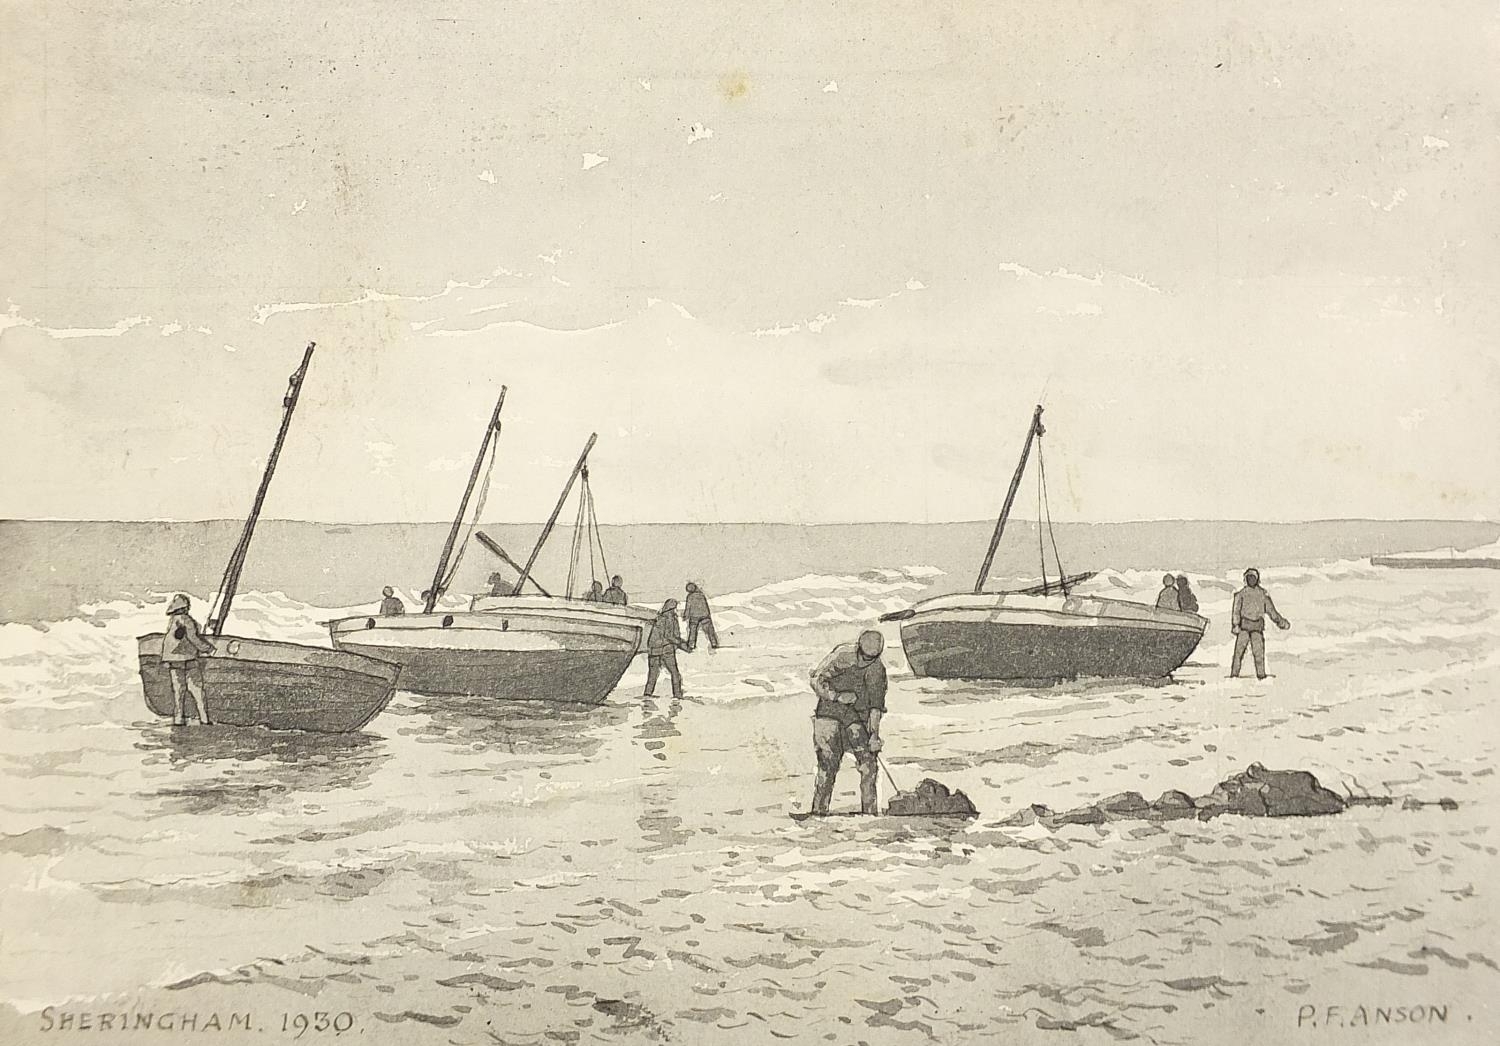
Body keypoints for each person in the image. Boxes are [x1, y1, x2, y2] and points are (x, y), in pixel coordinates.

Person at [808, 629, 888, 816]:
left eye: (871, 659)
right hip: (829, 714)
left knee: (869, 764)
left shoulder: (877, 670)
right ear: (858, 648)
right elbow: (816, 679)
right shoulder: (841, 655)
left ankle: (869, 814)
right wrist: (836, 696)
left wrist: (874, 736)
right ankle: (819, 813)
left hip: (856, 720)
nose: (864, 662)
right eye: (863, 656)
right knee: (827, 765)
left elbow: (876, 707)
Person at [161, 594, 215, 726]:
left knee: (178, 691)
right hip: (189, 659)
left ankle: (179, 720)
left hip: (173, 660)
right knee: (197, 689)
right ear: (185, 608)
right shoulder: (187, 620)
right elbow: (193, 638)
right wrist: (208, 648)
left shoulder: (173, 621)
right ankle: (204, 719)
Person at [1231, 568, 1291, 679]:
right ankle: (1234, 676)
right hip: (1243, 628)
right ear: (1245, 579)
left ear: (1257, 579)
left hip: (1257, 628)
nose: (1251, 579)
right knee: (1238, 654)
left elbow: (1271, 611)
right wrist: (1235, 625)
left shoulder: (1262, 594)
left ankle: (1261, 676)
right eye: (1249, 577)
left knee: (1259, 655)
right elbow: (1236, 611)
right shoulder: (1240, 594)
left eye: (1253, 577)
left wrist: (1281, 623)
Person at [644, 599, 688, 699]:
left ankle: (647, 694)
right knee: (675, 673)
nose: (676, 611)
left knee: (653, 674)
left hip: (653, 651)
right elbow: (670, 636)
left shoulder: (659, 618)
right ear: (671, 609)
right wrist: (683, 645)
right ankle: (677, 694)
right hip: (665, 650)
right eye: (675, 608)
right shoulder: (670, 619)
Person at [684, 581, 718, 651]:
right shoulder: (701, 595)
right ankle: (714, 643)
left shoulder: (690, 597)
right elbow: (706, 606)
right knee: (710, 630)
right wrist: (707, 614)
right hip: (705, 615)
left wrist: (686, 615)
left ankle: (691, 645)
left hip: (694, 617)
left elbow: (688, 607)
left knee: (692, 631)